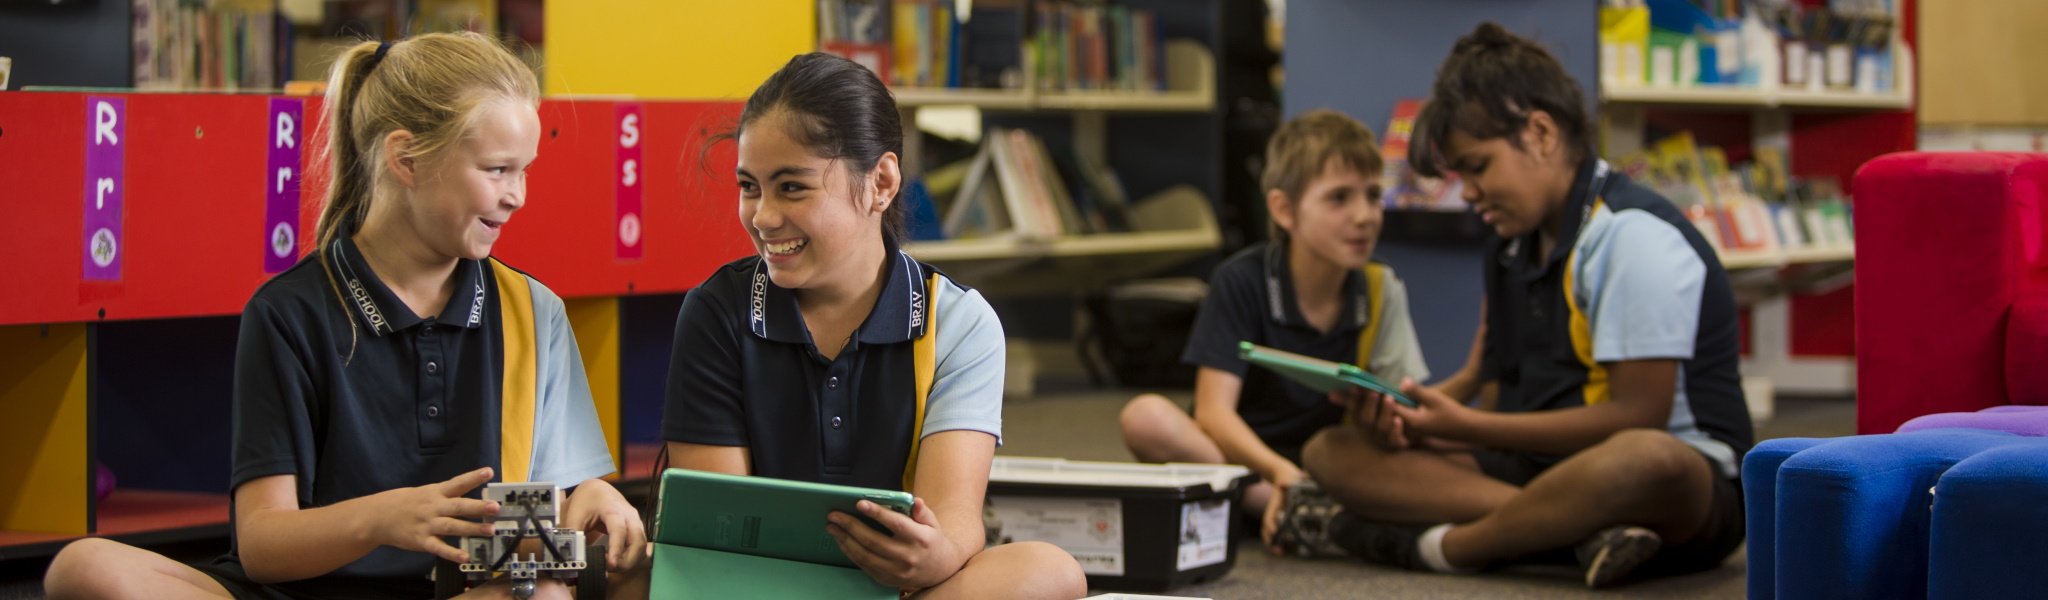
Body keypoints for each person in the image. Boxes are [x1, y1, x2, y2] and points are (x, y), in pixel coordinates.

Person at [44, 32, 644, 600]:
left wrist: (593, 499)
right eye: (496, 170)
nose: (518, 195)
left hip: (462, 590)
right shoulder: (286, 314)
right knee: (84, 566)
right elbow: (261, 545)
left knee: (552, 590)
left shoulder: (536, 311)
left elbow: (541, 521)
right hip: (300, 590)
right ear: (405, 159)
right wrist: (382, 519)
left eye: (525, 170)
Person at [1298, 22, 1753, 588]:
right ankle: (1574, 529)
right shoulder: (1509, 248)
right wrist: (1420, 427)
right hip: (1548, 470)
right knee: (1332, 450)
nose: (1466, 191)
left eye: (1477, 166)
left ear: (1539, 134)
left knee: (1646, 460)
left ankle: (1450, 547)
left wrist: (1469, 426)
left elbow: (1640, 417)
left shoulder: (1632, 237)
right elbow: (1500, 403)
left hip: (1685, 481)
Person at [658, 52, 1086, 600]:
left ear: (881, 182)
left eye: (792, 187)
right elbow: (714, 528)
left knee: (1051, 571)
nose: (762, 216)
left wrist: (937, 553)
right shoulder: (715, 311)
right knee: (626, 577)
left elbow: (955, 519)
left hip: (894, 592)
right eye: (749, 187)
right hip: (753, 586)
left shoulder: (960, 323)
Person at [1116, 109, 1430, 553]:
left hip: (1331, 461)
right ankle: (1284, 506)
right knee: (1146, 417)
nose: (1365, 216)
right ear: (1284, 210)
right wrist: (1278, 472)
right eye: (1339, 198)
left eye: (1374, 196)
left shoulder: (1383, 289)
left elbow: (1398, 406)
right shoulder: (1240, 279)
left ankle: (1304, 507)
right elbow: (1213, 413)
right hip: (1239, 459)